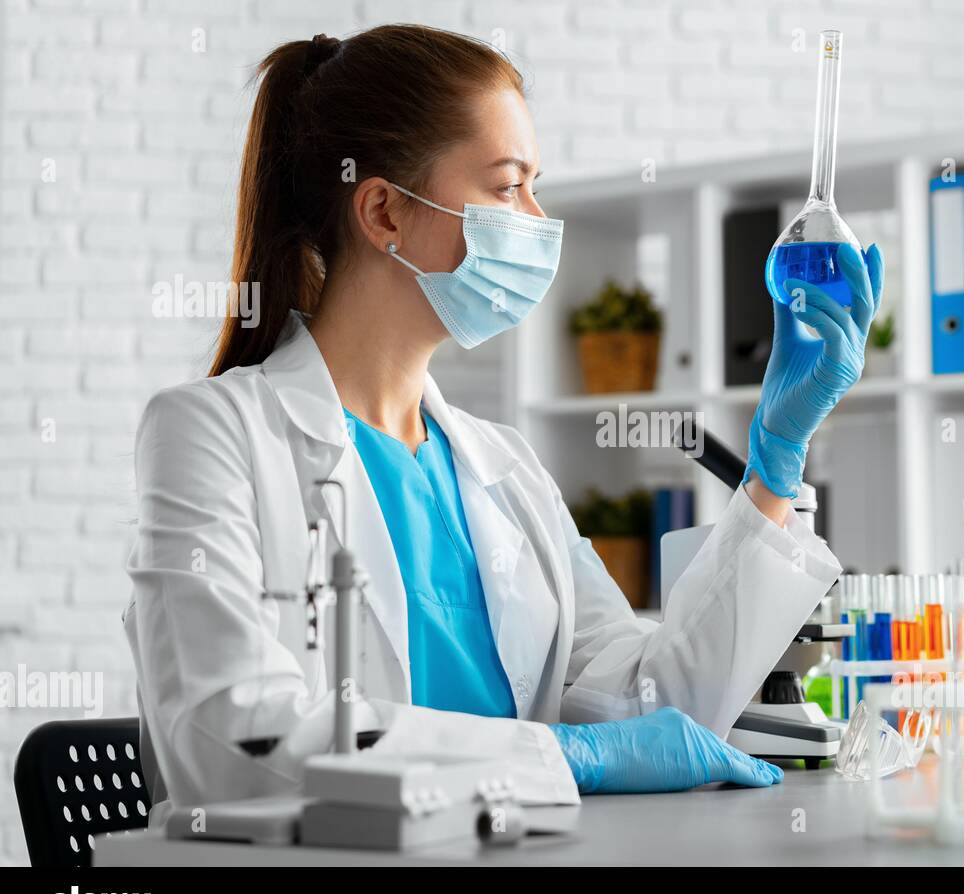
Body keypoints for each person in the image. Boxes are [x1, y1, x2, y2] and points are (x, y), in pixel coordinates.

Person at [123, 25, 883, 812]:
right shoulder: (212, 434)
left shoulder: (502, 466)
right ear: (383, 212)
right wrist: (568, 755)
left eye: (533, 185)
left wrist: (776, 463)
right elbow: (234, 744)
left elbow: (653, 704)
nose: (536, 218)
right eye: (507, 185)